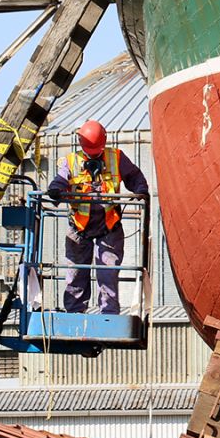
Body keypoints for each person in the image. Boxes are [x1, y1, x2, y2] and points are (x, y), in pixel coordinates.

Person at [45, 119, 148, 314]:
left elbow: (134, 176)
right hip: (79, 228)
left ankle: (108, 314)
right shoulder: (71, 161)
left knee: (107, 273)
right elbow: (60, 179)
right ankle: (74, 313)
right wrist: (56, 190)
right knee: (76, 274)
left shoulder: (116, 157)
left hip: (109, 227)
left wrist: (141, 190)